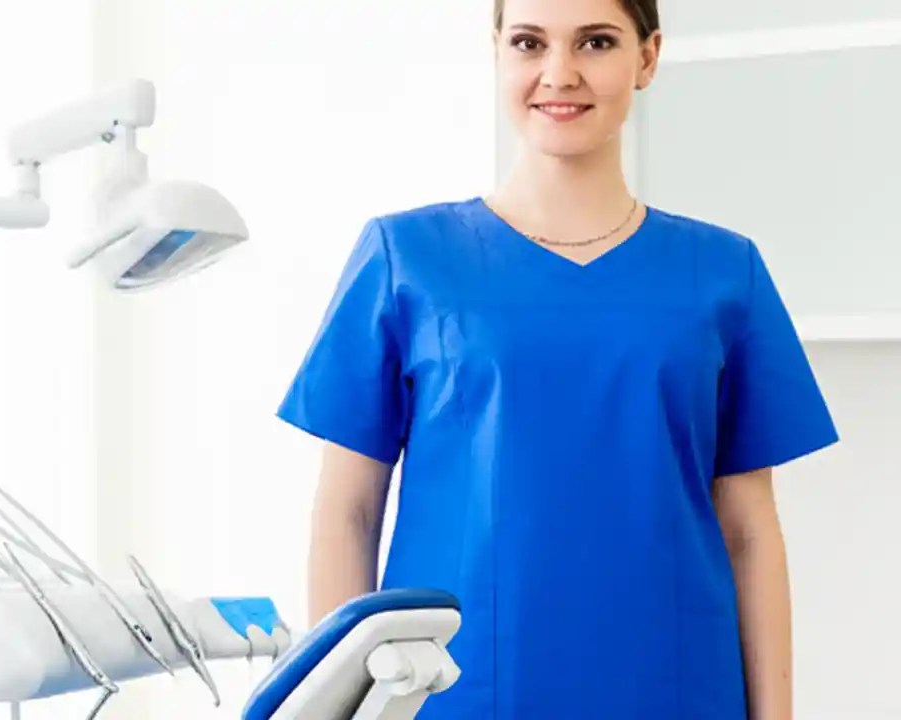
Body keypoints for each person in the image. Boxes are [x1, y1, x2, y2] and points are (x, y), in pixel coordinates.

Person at [275, 0, 839, 718]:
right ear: (498, 53)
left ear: (648, 57)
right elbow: (347, 512)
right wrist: (340, 707)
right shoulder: (405, 259)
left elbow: (750, 531)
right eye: (529, 42)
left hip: (675, 689)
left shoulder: (723, 272)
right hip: (455, 691)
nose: (558, 73)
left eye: (596, 42)